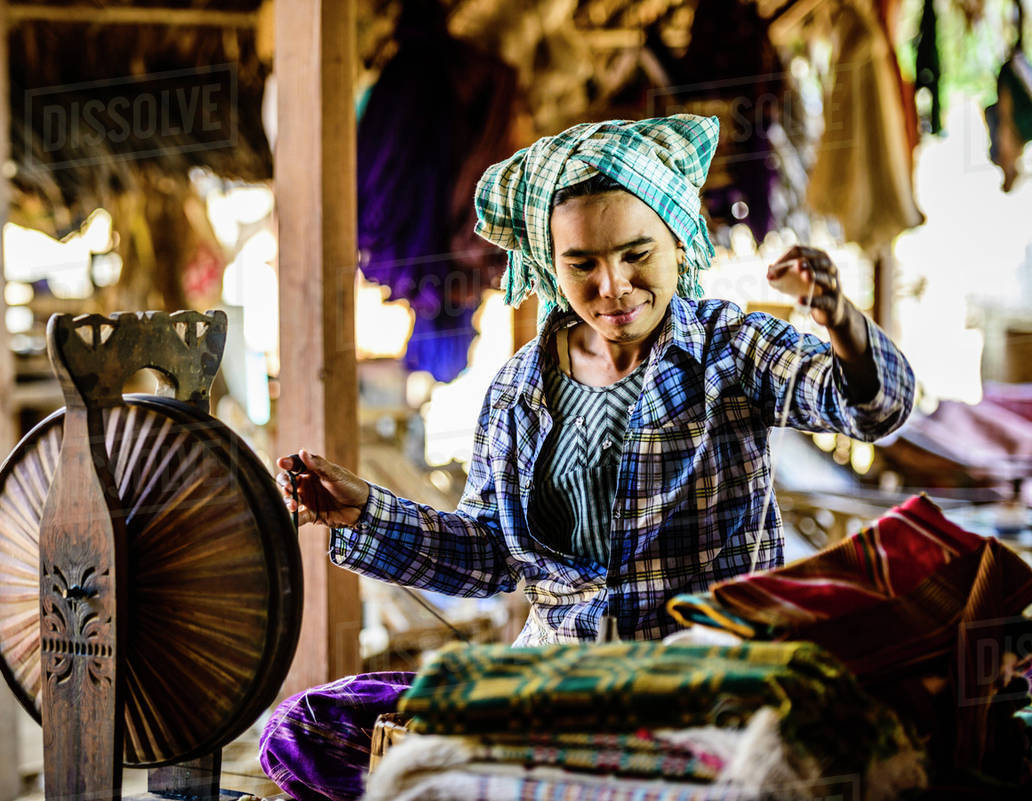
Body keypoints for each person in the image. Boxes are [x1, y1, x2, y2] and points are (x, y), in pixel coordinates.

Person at [259, 115, 916, 801]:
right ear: (550, 261)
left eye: (638, 254)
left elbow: (875, 407)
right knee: (305, 728)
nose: (615, 286)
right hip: (559, 689)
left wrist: (838, 317)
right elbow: (488, 556)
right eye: (584, 264)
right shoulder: (520, 390)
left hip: (709, 693)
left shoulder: (734, 350)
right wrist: (364, 509)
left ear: (678, 239)